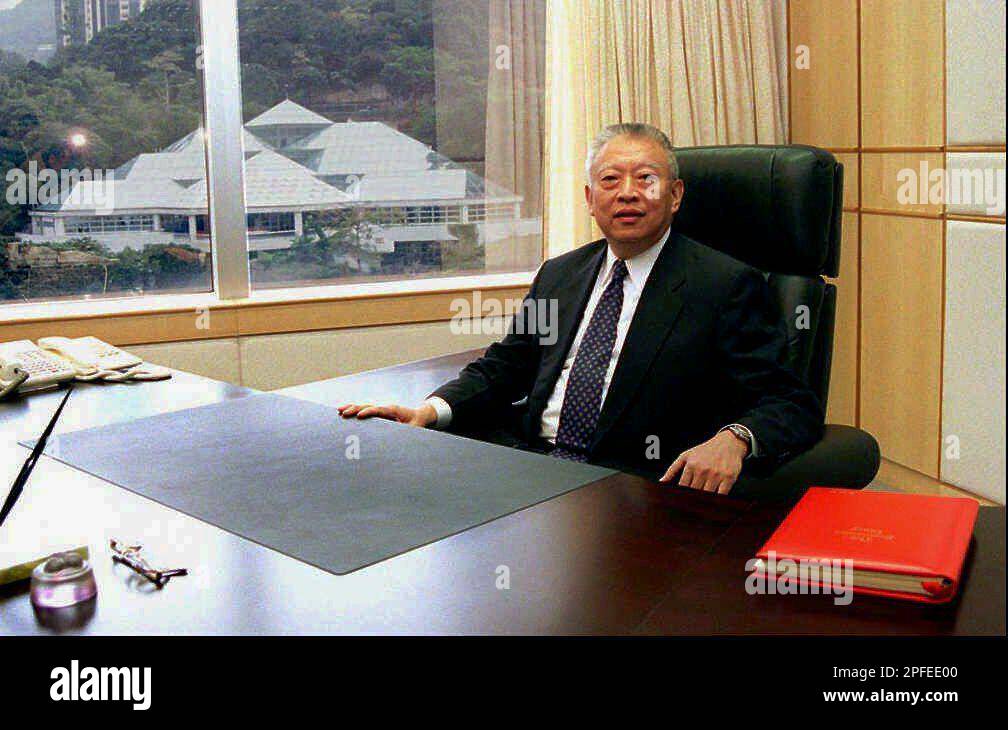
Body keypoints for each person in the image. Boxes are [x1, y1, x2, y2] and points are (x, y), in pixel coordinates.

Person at [339, 123, 823, 495]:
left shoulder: (725, 284)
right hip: (529, 467)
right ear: (591, 200)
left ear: (674, 196)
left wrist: (735, 438)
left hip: (633, 485)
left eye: (646, 179)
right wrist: (430, 410)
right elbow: (505, 367)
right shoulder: (561, 274)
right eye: (611, 180)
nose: (628, 192)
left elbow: (790, 402)